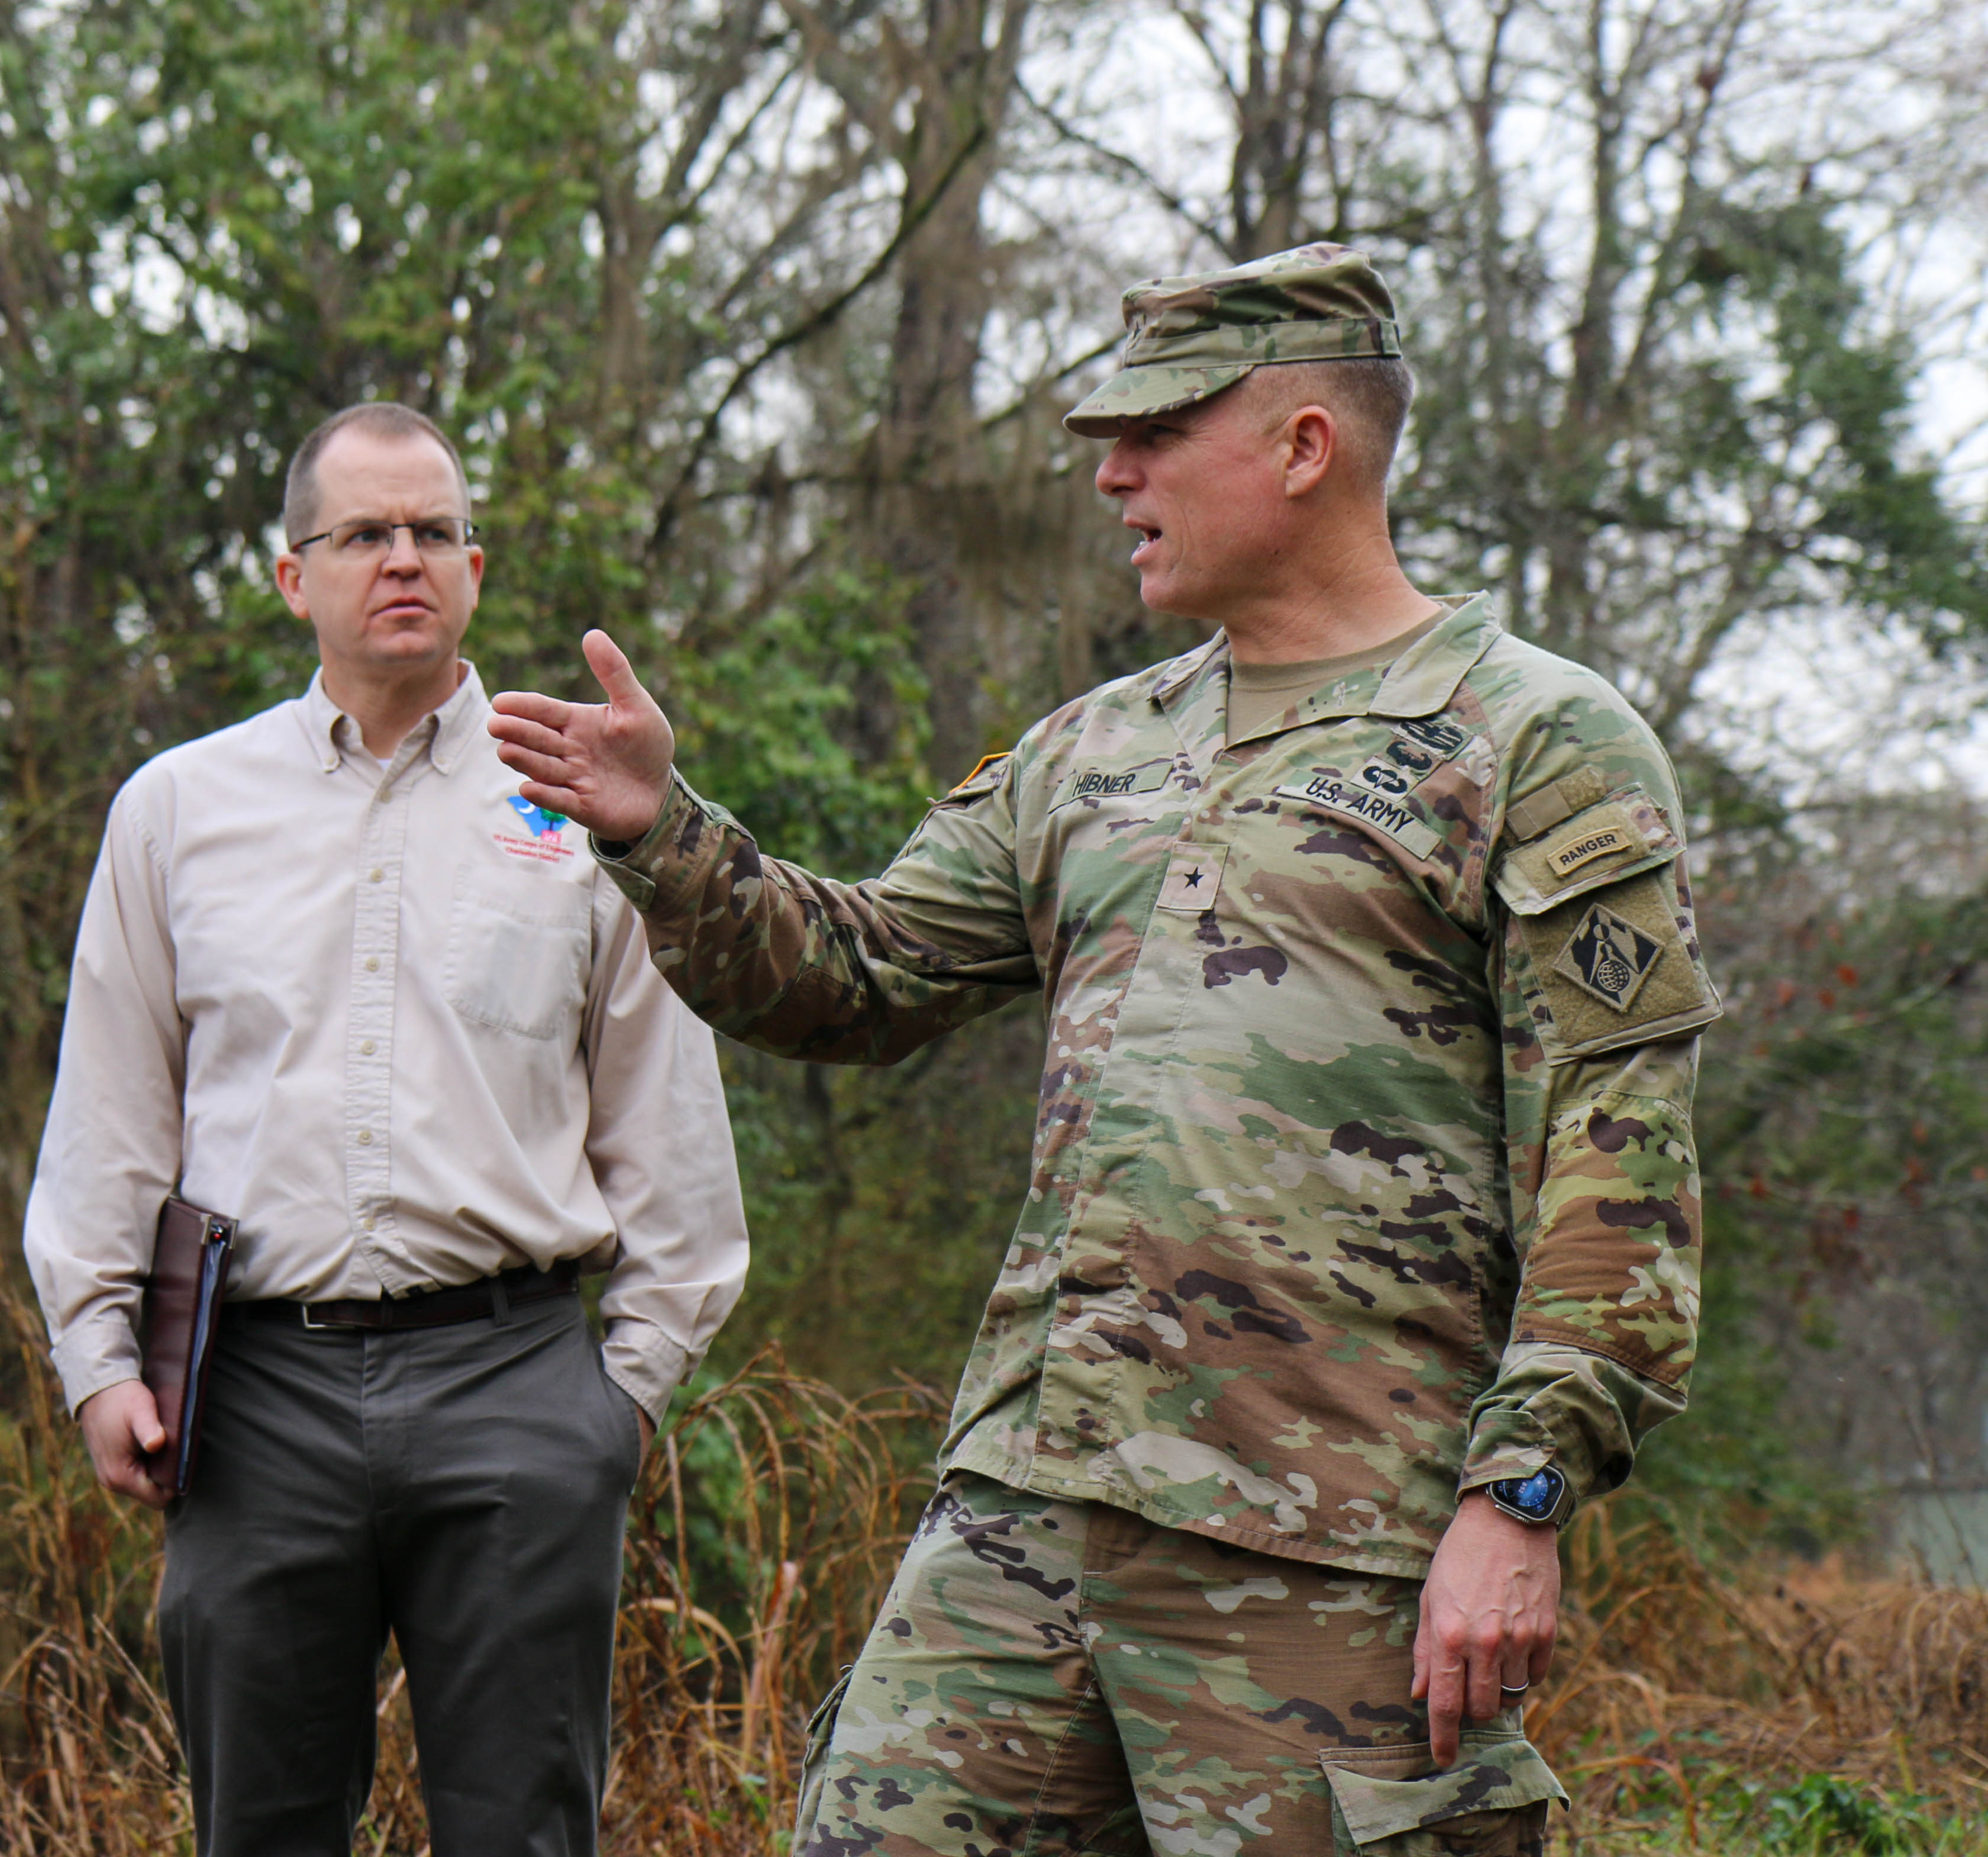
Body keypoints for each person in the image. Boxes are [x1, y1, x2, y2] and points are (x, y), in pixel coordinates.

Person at [489, 247, 1713, 1856]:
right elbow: (855, 977)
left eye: (1153, 434)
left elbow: (1615, 1171)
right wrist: (665, 833)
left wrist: (1523, 1496)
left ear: (1302, 446)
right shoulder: (1092, 750)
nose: (1112, 475)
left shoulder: (1532, 740)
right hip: (1027, 1512)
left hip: (1335, 1545)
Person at [26, 401, 748, 1856]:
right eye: (364, 533)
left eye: (432, 531)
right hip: (253, 1406)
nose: (402, 558)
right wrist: (99, 1357)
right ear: (297, 576)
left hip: (518, 1386)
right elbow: (111, 1109)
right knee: (260, 1830)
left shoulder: (583, 801)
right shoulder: (177, 812)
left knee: (526, 1832)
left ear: (476, 567)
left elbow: (668, 1124)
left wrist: (617, 1406)